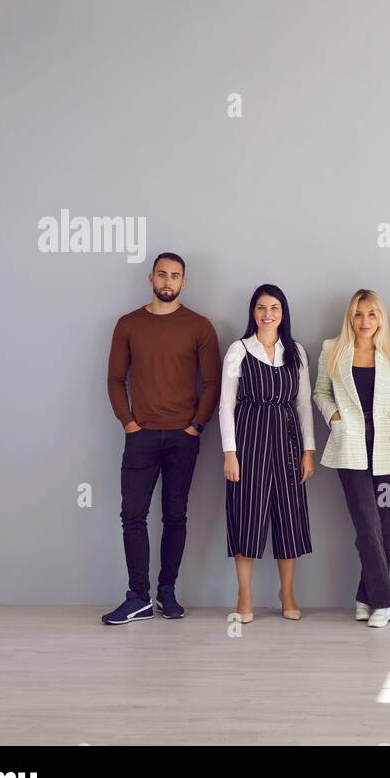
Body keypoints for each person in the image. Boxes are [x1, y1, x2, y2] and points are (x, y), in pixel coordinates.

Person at [103, 251, 221, 624]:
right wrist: (128, 422)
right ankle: (137, 596)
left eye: (175, 276)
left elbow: (213, 382)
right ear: (150, 278)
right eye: (162, 275)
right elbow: (114, 379)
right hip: (140, 436)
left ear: (183, 282)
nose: (168, 282)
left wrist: (196, 425)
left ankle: (166, 591)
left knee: (176, 515)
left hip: (183, 438)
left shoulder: (200, 326)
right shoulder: (128, 324)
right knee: (133, 515)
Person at [313, 289, 390, 629]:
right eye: (358, 314)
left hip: (387, 451)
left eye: (372, 314)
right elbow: (320, 392)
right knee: (366, 526)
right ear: (350, 317)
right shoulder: (333, 350)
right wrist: (334, 418)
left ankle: (364, 597)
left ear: (380, 318)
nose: (365, 322)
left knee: (386, 527)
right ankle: (386, 602)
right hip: (352, 451)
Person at [220, 285, 315, 622]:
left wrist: (308, 450)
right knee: (247, 515)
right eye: (261, 308)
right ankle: (243, 596)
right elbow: (226, 405)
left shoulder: (297, 352)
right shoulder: (239, 350)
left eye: (274, 307)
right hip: (249, 440)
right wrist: (229, 453)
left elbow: (303, 405)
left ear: (283, 312)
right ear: (253, 312)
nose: (267, 314)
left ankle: (286, 592)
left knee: (289, 518)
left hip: (288, 441)